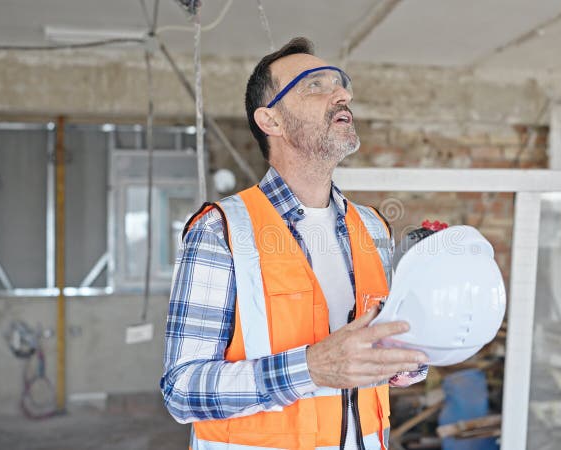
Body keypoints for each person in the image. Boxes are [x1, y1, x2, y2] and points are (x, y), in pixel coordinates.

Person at [161, 37, 428, 450]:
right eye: (315, 85)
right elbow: (182, 391)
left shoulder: (374, 227)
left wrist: (412, 356)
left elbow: (382, 356)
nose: (343, 94)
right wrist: (311, 368)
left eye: (341, 85)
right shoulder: (221, 231)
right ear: (272, 121)